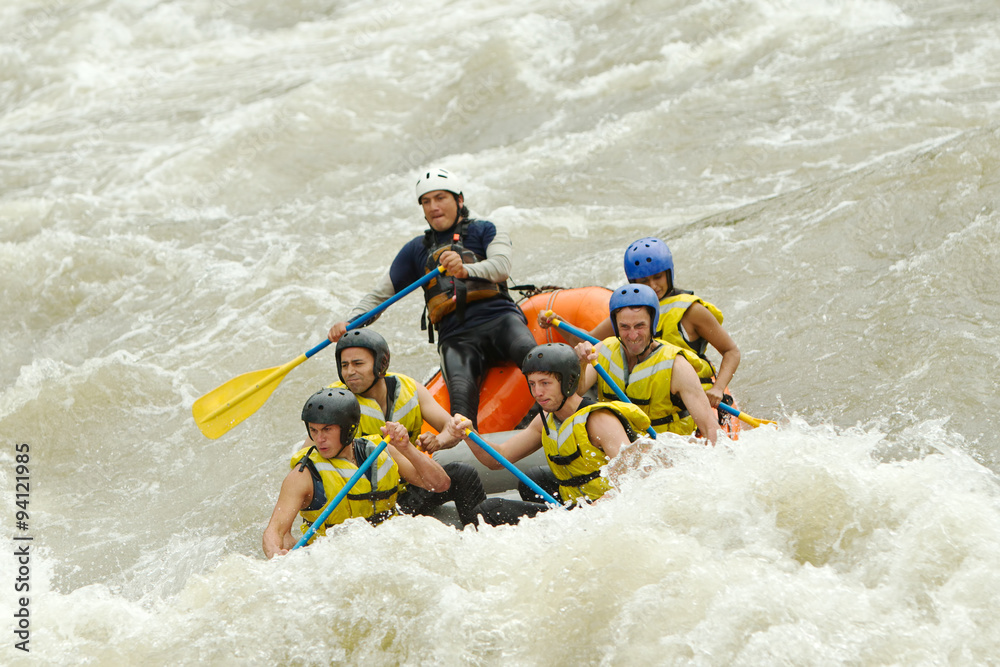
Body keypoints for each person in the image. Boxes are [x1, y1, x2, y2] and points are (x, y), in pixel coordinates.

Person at [327, 167, 537, 430]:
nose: (433, 207)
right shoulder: (416, 249)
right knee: (460, 411)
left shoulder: (485, 229)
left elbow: (501, 266)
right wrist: (351, 323)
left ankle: (551, 417)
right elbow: (380, 296)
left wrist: (465, 269)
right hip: (457, 339)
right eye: (426, 201)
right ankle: (470, 449)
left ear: (459, 200)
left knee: (539, 361)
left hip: (501, 320)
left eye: (440, 198)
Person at [443, 343, 652, 526]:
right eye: (532, 384)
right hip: (577, 504)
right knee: (533, 479)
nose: (537, 392)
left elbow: (633, 482)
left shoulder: (599, 421)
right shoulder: (546, 419)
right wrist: (469, 435)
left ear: (568, 382)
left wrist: (588, 514)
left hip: (600, 511)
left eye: (545, 383)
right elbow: (499, 458)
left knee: (491, 510)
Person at [539, 237, 740, 408]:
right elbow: (588, 341)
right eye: (644, 281)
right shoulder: (629, 313)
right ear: (633, 283)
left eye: (658, 277)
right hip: (644, 394)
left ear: (668, 274)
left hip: (683, 395)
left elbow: (731, 351)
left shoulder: (692, 311)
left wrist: (718, 388)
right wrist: (557, 322)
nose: (653, 286)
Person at [262, 387, 451, 559]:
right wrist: (276, 554)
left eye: (327, 430)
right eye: (314, 430)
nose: (319, 439)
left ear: (349, 429)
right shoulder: (303, 475)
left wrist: (406, 447)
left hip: (390, 548)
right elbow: (274, 532)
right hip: (337, 560)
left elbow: (440, 484)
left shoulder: (382, 450)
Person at [327, 328, 487, 526]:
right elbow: (310, 459)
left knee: (463, 475)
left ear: (380, 364)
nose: (350, 372)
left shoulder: (409, 388)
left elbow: (452, 428)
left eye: (358, 364)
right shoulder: (333, 403)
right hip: (368, 505)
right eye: (344, 365)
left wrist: (438, 441)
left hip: (407, 490)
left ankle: (480, 532)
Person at [574, 284, 719, 444]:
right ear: (616, 326)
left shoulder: (677, 366)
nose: (633, 335)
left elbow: (711, 429)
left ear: (652, 323)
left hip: (663, 450)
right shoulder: (602, 350)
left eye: (640, 326)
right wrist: (582, 364)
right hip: (616, 446)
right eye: (624, 327)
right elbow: (577, 392)